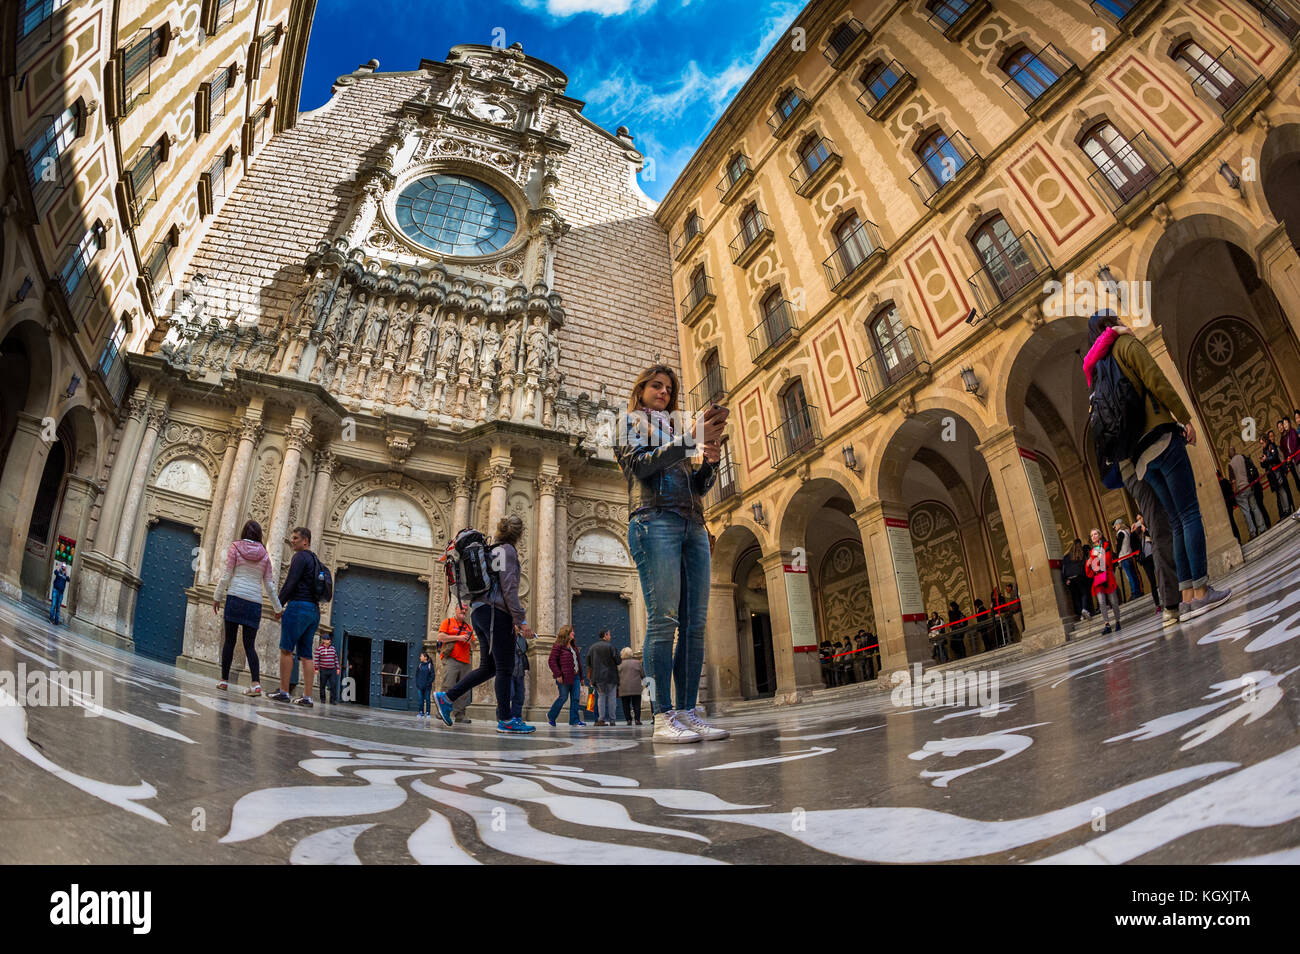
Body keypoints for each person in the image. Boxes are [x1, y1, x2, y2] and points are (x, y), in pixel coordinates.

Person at [1084, 313, 1230, 621]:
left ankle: (1187, 594)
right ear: (1111, 326)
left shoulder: (1096, 372)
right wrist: (1184, 417)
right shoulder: (1125, 345)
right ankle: (1202, 591)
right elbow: (1156, 379)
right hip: (1161, 437)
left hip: (1138, 460)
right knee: (1190, 514)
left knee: (1176, 522)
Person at [617, 363, 728, 743]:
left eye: (669, 388)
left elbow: (697, 487)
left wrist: (709, 461)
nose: (664, 392)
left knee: (694, 625)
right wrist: (689, 439)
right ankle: (662, 716)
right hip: (654, 521)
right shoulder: (629, 422)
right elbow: (641, 466)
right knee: (664, 621)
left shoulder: (678, 433)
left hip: (692, 525)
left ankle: (687, 711)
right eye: (656, 386)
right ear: (641, 388)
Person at [433, 514, 537, 734]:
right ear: (519, 534)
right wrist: (520, 620)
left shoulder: (490, 549)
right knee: (505, 668)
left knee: (489, 667)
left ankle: (447, 697)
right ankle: (506, 719)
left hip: (479, 612)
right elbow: (509, 589)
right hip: (496, 613)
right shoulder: (508, 551)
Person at [212, 520, 282, 696]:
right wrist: (278, 608)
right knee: (249, 645)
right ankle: (256, 684)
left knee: (229, 641)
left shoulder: (235, 547)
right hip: (254, 602)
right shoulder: (265, 555)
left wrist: (217, 597)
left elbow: (227, 575)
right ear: (259, 535)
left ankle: (223, 681)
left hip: (235, 597)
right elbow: (269, 585)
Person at [268, 527, 320, 705]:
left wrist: (278, 605)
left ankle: (283, 691)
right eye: (292, 538)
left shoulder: (299, 557)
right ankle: (307, 697)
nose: (293, 541)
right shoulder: (315, 559)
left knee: (286, 649)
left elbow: (290, 583)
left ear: (305, 541)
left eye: (296, 538)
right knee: (306, 655)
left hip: (298, 607)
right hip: (314, 611)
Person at [436, 604, 475, 724]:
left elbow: (473, 646)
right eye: (462, 609)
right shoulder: (447, 622)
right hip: (451, 659)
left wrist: (469, 641)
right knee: (448, 685)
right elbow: (441, 637)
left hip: (466, 661)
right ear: (456, 609)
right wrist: (459, 638)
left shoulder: (468, 627)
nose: (464, 611)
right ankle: (442, 711)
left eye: (466, 610)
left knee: (464, 689)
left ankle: (460, 715)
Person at [546, 624, 585, 727]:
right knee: (563, 698)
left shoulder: (574, 647)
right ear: (566, 633)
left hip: (575, 677)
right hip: (564, 677)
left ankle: (574, 721)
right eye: (572, 631)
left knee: (575, 699)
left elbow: (578, 663)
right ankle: (551, 716)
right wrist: (558, 674)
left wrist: (581, 677)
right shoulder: (558, 646)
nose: (574, 633)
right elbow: (551, 661)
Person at [1085, 528, 1121, 635]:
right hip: (1098, 578)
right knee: (1101, 603)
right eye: (1092, 535)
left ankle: (1118, 621)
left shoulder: (1106, 545)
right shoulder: (1091, 552)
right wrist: (1088, 565)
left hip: (1108, 576)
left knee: (1113, 601)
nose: (1094, 536)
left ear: (1100, 535)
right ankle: (1107, 624)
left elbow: (1108, 561)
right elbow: (1090, 572)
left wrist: (1098, 560)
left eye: (1095, 534)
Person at [1227, 448, 1265, 539]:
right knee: (1255, 507)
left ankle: (1253, 532)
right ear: (1235, 451)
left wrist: (1235, 492)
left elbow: (1233, 481)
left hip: (1241, 490)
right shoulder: (1242, 457)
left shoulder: (1230, 464)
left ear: (1229, 455)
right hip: (1249, 486)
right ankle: (1262, 527)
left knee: (1246, 512)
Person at [585, 628, 620, 726]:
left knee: (601, 698)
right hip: (611, 677)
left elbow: (588, 663)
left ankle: (601, 719)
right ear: (605, 635)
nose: (610, 636)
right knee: (612, 698)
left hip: (598, 677)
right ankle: (612, 720)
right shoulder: (611, 647)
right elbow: (618, 661)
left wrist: (590, 676)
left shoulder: (592, 648)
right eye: (609, 634)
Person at [1261, 430, 1292, 518]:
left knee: (1282, 490)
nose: (1262, 445)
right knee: (1279, 492)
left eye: (1262, 442)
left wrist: (1266, 458)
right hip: (1272, 474)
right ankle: (1285, 510)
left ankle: (1287, 509)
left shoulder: (1271, 446)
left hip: (1277, 471)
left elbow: (1274, 457)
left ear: (1266, 441)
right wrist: (1263, 461)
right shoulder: (1264, 450)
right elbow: (1263, 465)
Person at [1112, 517, 1142, 602]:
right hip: (1129, 555)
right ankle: (1138, 591)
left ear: (1118, 525)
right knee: (1133, 574)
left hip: (1124, 557)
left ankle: (1134, 593)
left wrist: (1117, 556)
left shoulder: (1120, 533)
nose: (1115, 528)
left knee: (1130, 576)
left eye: (1115, 526)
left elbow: (1119, 546)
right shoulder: (1127, 531)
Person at [1061, 539, 1089, 621]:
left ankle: (1081, 615)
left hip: (1070, 579)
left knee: (1076, 597)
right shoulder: (1081, 554)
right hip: (1079, 577)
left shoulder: (1066, 556)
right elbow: (1085, 566)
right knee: (1084, 593)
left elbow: (1063, 569)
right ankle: (1084, 609)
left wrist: (1065, 579)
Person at [618, 647, 645, 726]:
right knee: (636, 704)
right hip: (636, 687)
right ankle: (637, 719)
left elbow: (617, 675)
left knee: (625, 704)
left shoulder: (619, 664)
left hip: (623, 688)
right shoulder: (637, 663)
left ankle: (628, 720)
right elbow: (642, 674)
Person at [510, 627, 529, 723]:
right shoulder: (506, 636)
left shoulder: (522, 639)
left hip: (520, 672)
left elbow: (524, 650)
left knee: (519, 696)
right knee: (509, 693)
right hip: (509, 671)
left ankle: (516, 717)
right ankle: (502, 716)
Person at [1217, 469, 1241, 543]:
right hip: (1229, 504)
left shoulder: (1222, 483)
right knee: (1232, 521)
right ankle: (1238, 539)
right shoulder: (1225, 481)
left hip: (1227, 505)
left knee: (1231, 522)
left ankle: (1237, 539)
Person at [314, 633, 339, 703]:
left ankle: (333, 700)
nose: (328, 640)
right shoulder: (319, 649)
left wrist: (338, 668)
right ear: (323, 640)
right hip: (323, 669)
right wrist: (316, 669)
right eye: (327, 639)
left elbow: (336, 659)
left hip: (332, 670)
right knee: (322, 685)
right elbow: (316, 659)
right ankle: (323, 699)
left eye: (329, 639)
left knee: (333, 684)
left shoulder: (333, 648)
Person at [415, 651, 435, 721]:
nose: (420, 657)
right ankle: (421, 712)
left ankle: (428, 713)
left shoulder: (430, 666)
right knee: (420, 700)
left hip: (427, 687)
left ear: (425, 657)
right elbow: (417, 675)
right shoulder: (419, 665)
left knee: (427, 699)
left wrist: (428, 683)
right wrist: (417, 683)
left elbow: (432, 676)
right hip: (420, 686)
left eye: (421, 656)